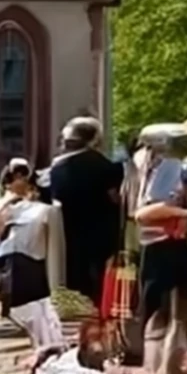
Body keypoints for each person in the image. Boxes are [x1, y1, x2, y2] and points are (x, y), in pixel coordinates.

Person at [0, 158, 66, 372]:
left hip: (19, 262)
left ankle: (46, 348)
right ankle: (45, 349)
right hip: (14, 262)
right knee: (33, 310)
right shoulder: (4, 202)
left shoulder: (38, 208)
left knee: (38, 311)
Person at [46, 116, 124, 307]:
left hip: (68, 228)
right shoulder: (107, 166)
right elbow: (115, 197)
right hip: (102, 228)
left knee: (74, 270)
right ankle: (99, 307)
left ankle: (76, 307)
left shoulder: (57, 168)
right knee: (99, 272)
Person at [134, 129, 187, 374]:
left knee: (171, 306)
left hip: (168, 245)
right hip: (160, 245)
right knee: (161, 306)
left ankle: (167, 360)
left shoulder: (166, 167)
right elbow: (146, 212)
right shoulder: (165, 167)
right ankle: (158, 361)